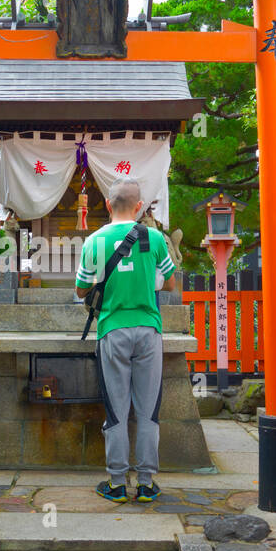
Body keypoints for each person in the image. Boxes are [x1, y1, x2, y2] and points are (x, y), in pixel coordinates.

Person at [75, 179, 177, 503]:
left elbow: (80, 289)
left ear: (107, 204)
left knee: (116, 409)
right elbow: (170, 284)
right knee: (148, 410)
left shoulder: (95, 241)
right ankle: (146, 484)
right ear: (138, 206)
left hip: (112, 330)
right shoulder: (156, 238)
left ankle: (117, 483)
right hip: (148, 330)